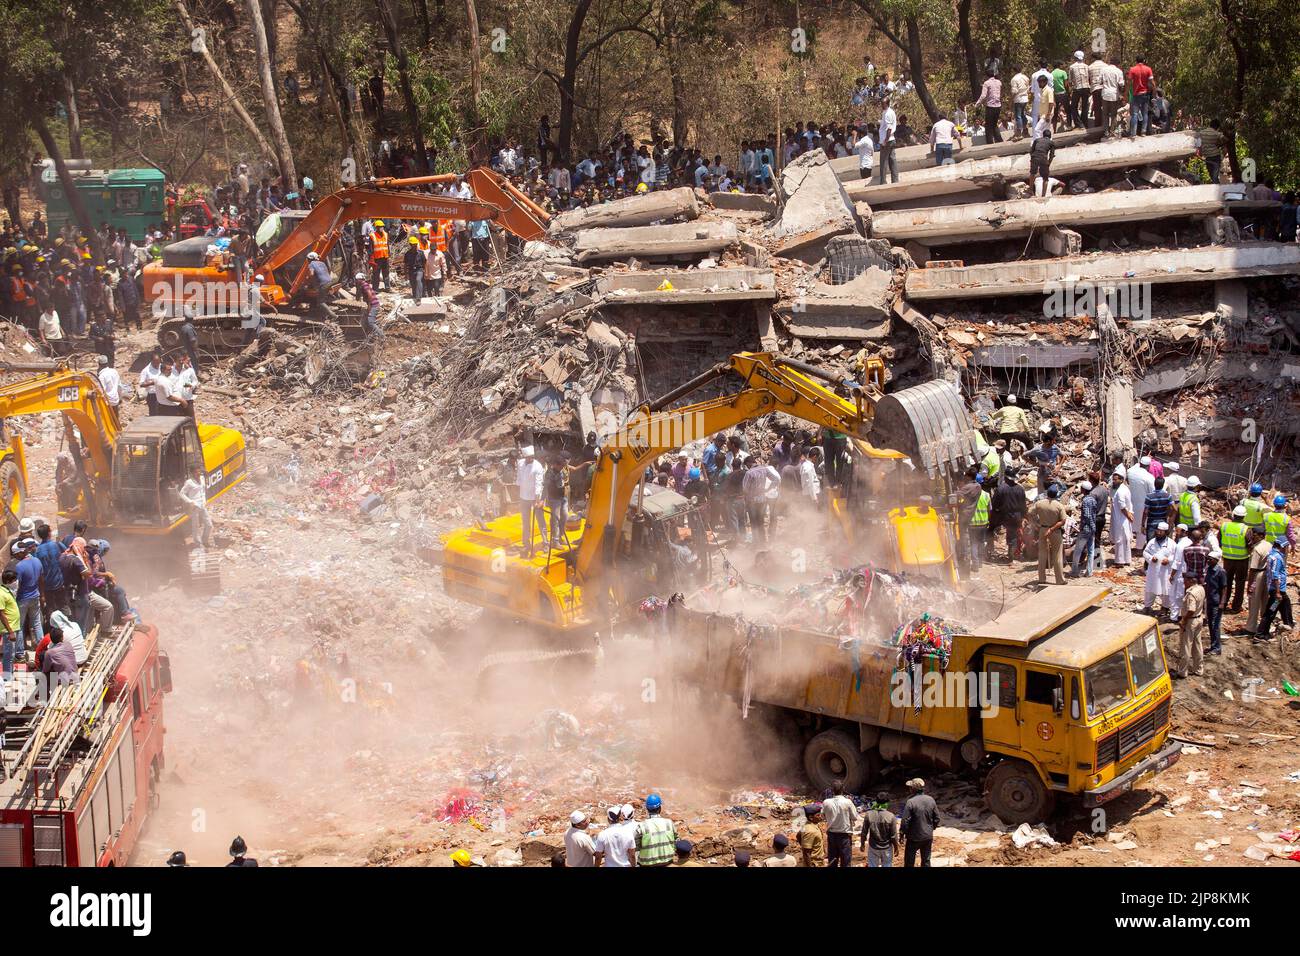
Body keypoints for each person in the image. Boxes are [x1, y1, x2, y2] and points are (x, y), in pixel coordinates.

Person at [1255, 538, 1293, 643]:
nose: (1287, 549)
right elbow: (1275, 575)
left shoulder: (1271, 554)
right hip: (1277, 591)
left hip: (1279, 590)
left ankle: (1289, 625)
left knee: (1286, 604)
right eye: (1286, 547)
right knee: (1271, 612)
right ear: (1282, 546)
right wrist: (1277, 592)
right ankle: (1260, 634)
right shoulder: (1277, 558)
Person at [1031, 484, 1067, 584]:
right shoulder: (1059, 505)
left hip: (1042, 530)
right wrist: (1051, 529)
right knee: (1057, 555)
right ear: (1056, 494)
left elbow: (1029, 513)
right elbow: (1063, 521)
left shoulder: (1039, 503)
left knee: (1042, 554)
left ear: (1047, 493)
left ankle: (1042, 579)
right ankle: (1060, 580)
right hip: (1055, 531)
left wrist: (1035, 525)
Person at [13, 537, 42, 661]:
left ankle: (19, 653)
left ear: (20, 552)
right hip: (35, 596)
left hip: (22, 599)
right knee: (36, 623)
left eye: (16, 554)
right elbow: (42, 579)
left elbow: (16, 586)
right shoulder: (37, 561)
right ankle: (41, 649)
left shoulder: (19, 566)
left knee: (19, 626)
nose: (15, 557)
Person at [900, 778, 939, 867]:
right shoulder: (931, 800)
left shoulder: (911, 802)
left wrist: (902, 834)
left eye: (910, 787)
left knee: (909, 861)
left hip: (913, 837)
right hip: (927, 837)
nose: (909, 789)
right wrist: (931, 828)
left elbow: (905, 821)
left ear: (913, 789)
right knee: (926, 860)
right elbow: (937, 818)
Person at [1219, 505, 1251, 613]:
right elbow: (1249, 545)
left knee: (1226, 582)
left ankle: (1222, 604)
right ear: (1244, 517)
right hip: (1242, 560)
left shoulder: (1224, 526)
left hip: (1227, 559)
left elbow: (1219, 541)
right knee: (1240, 583)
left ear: (1233, 515)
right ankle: (1236, 607)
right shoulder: (1246, 529)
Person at [516, 445, 545, 558]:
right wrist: (517, 492)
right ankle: (526, 543)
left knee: (540, 520)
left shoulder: (537, 466)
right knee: (525, 521)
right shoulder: (520, 463)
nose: (531, 459)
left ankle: (545, 542)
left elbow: (538, 484)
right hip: (523, 497)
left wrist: (537, 500)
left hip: (534, 498)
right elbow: (519, 478)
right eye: (529, 457)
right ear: (525, 457)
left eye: (532, 457)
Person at [822, 782, 860, 868]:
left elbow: (822, 816)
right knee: (845, 861)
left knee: (832, 860)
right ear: (843, 789)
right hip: (844, 836)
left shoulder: (826, 802)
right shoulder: (848, 802)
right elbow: (854, 817)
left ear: (832, 790)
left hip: (831, 835)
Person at [632, 793, 676, 867]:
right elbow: (676, 840)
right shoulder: (669, 823)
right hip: (668, 862)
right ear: (660, 808)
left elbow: (636, 847)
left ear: (647, 809)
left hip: (647, 864)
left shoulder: (642, 826)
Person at [1177, 571, 1206, 678]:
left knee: (1185, 646)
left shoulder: (1191, 594)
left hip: (1191, 621)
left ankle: (1182, 672)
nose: (1184, 582)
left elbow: (1191, 609)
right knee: (1197, 645)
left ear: (1190, 581)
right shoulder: (1201, 589)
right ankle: (1199, 669)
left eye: (1185, 580)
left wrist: (1183, 620)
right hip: (1199, 619)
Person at [1142, 522, 1175, 615]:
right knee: (1150, 588)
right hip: (1153, 569)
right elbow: (1145, 552)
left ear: (1166, 532)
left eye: (1161, 531)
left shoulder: (1171, 543)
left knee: (1165, 589)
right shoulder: (1152, 542)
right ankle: (1147, 606)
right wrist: (1151, 558)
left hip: (1165, 571)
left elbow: (1175, 555)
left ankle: (1165, 607)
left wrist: (1168, 560)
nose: (1159, 533)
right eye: (1158, 530)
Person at [860, 791, 899, 867]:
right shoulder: (891, 816)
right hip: (887, 848)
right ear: (887, 803)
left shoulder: (869, 814)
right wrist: (896, 848)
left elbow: (864, 832)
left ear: (876, 801)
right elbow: (893, 836)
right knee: (887, 865)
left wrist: (862, 844)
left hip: (873, 847)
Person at [1245, 527, 1273, 634]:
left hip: (1258, 575)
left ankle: (1251, 628)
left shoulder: (1257, 549)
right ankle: (1264, 626)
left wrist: (1249, 586)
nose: (1252, 536)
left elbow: (1253, 569)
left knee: (1254, 602)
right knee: (1265, 601)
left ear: (1261, 535)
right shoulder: (1269, 545)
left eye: (1254, 534)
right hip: (1268, 574)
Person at [1127, 456, 1155, 551]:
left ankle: (1127, 546)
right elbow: (1152, 492)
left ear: (1140, 464)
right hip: (1143, 505)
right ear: (1149, 466)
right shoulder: (1149, 477)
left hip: (1131, 502)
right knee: (1142, 527)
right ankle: (1139, 548)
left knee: (1130, 525)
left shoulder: (1131, 472)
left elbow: (1133, 467)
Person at [1070, 481, 1098, 576]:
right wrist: (1094, 527)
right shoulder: (1093, 499)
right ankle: (1089, 571)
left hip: (1086, 528)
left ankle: (1074, 571)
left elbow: (1087, 515)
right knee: (1091, 550)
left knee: (1078, 550)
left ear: (1084, 490)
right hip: (1092, 529)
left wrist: (1089, 526)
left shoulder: (1085, 500)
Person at [1109, 468, 1134, 566]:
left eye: (1116, 480)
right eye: (1113, 479)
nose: (1114, 481)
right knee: (1125, 539)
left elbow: (1122, 507)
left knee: (1120, 539)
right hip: (1123, 518)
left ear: (1121, 480)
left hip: (1121, 518)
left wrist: (1128, 516)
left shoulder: (1120, 492)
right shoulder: (1124, 488)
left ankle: (1119, 561)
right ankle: (1126, 559)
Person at [1204, 550, 1227, 656]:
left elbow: (1224, 588)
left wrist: (1222, 602)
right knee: (1210, 624)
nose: (1208, 560)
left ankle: (1217, 648)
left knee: (1215, 625)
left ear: (1216, 560)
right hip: (1209, 600)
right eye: (1207, 558)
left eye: (1210, 559)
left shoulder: (1221, 572)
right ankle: (1213, 646)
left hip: (1216, 602)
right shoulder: (1209, 570)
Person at [1127, 56, 1155, 136]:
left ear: (1136, 61)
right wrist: (1154, 93)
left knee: (1135, 114)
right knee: (1145, 113)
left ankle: (1133, 133)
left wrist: (1126, 94)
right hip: (1145, 94)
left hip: (1136, 94)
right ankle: (1143, 132)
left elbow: (1129, 83)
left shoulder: (1132, 69)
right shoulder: (1148, 69)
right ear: (1144, 60)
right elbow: (1152, 83)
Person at [0, 568, 20, 679]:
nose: (16, 582)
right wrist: (10, 631)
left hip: (14, 627)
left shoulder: (7, 591)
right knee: (9, 655)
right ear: (8, 582)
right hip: (9, 629)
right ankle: (7, 677)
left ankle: (10, 673)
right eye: (14, 580)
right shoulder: (1, 594)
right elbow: (1, 614)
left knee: (12, 654)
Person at [974, 69, 1003, 143]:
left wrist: (977, 104)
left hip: (990, 106)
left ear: (986, 75)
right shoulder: (999, 82)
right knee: (994, 124)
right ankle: (999, 140)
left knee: (988, 125)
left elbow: (983, 96)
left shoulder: (986, 83)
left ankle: (989, 141)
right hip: (998, 105)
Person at [876, 97, 899, 184]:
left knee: (883, 162)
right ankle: (895, 180)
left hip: (887, 140)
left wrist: (885, 140)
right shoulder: (887, 112)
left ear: (887, 104)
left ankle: (883, 182)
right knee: (892, 160)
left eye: (883, 104)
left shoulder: (888, 113)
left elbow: (889, 128)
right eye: (881, 103)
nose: (882, 105)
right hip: (891, 139)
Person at [1029, 127, 1055, 197]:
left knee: (1032, 173)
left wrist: (1032, 159)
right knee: (1045, 179)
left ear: (1043, 135)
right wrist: (1049, 163)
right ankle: (1043, 196)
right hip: (1043, 158)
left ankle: (1030, 190)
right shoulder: (1051, 142)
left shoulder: (1037, 140)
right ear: (1050, 136)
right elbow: (1052, 155)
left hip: (1035, 157)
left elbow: (1031, 151)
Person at [354, 273, 381, 338]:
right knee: (368, 320)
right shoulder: (364, 285)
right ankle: (372, 334)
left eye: (356, 280)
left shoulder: (364, 285)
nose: (356, 281)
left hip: (374, 305)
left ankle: (382, 336)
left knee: (370, 322)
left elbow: (369, 294)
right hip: (374, 304)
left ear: (360, 280)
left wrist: (369, 306)